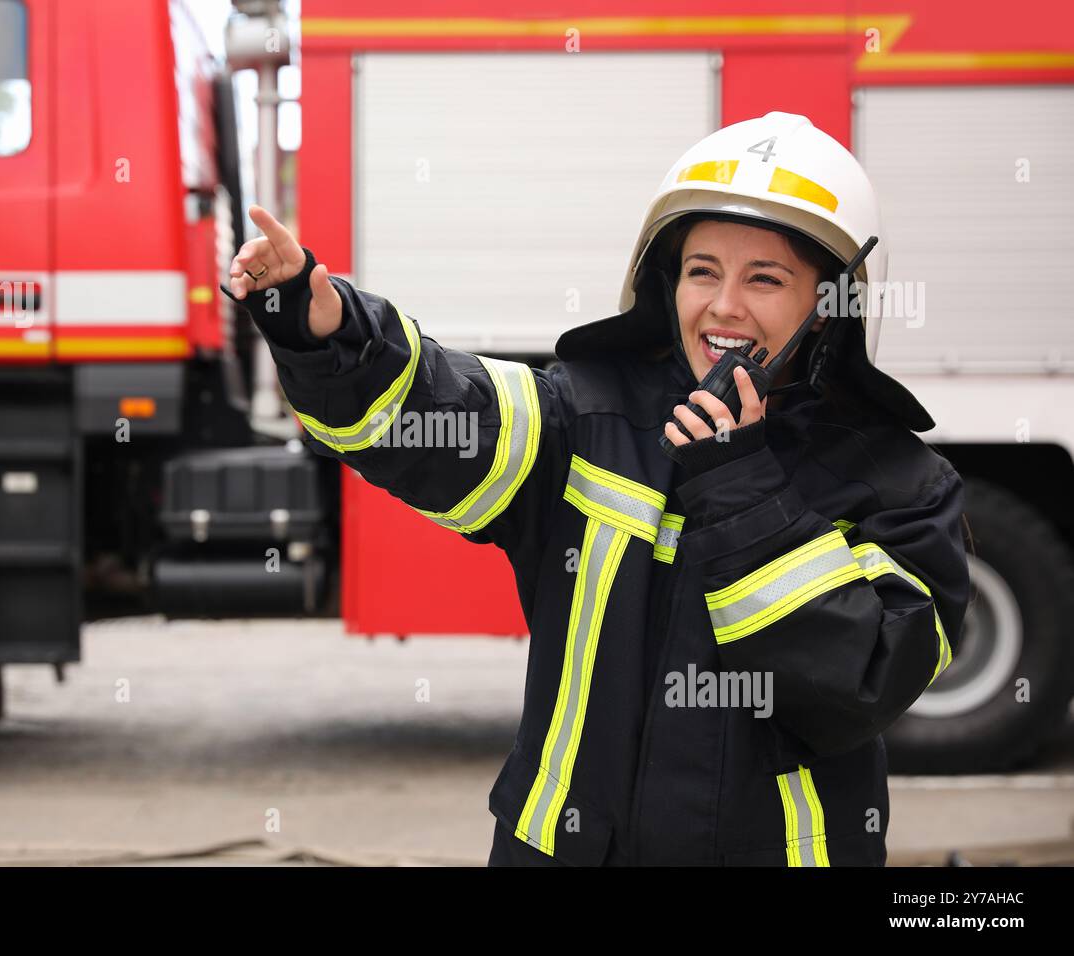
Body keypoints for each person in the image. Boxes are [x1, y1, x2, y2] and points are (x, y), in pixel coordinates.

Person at [220, 112, 971, 866]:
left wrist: (739, 480)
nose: (724, 305)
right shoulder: (587, 415)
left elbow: (861, 685)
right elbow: (441, 412)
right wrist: (329, 333)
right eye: (702, 269)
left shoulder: (903, 487)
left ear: (829, 305)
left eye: (766, 279)